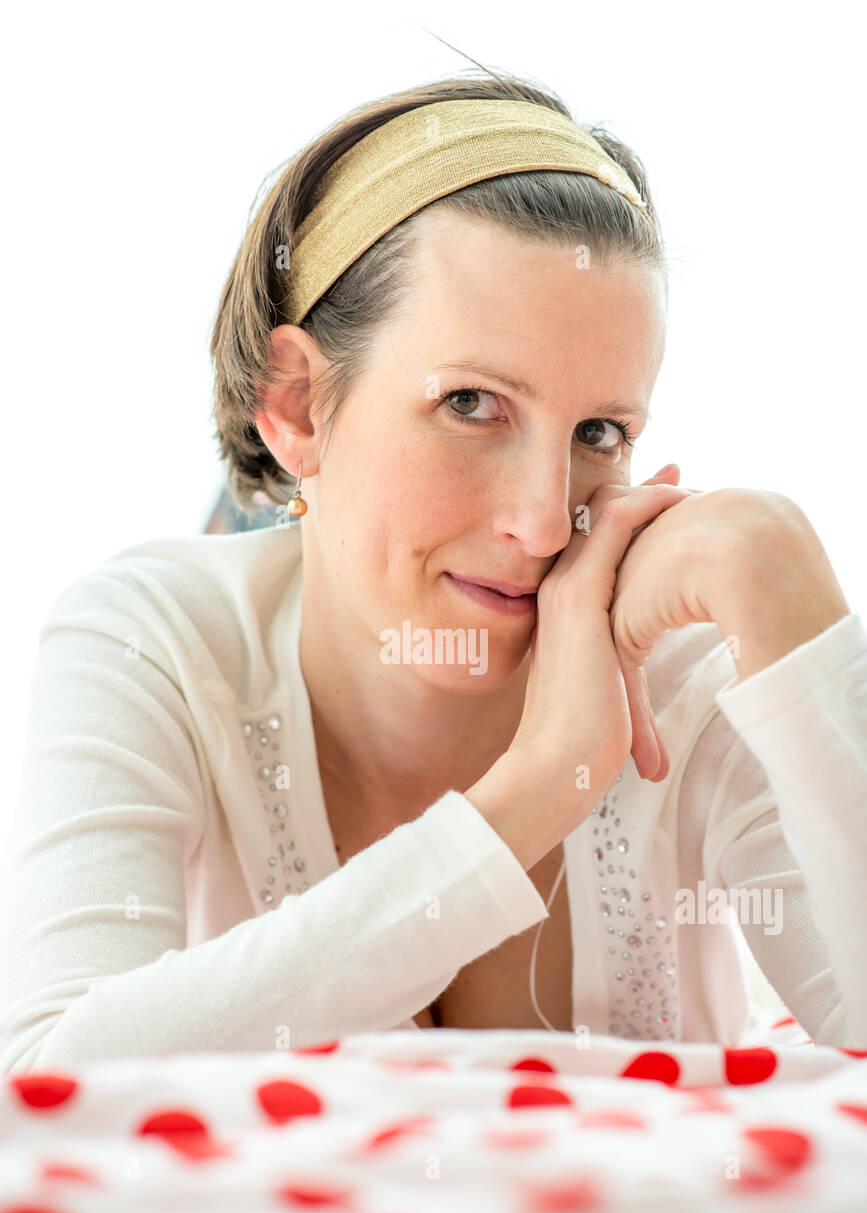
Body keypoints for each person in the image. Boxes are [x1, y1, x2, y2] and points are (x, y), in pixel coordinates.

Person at [2, 68, 865, 1075]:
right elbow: (45, 1079)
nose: (544, 521)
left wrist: (788, 601)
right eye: (470, 404)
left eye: (599, 431)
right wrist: (542, 785)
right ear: (295, 402)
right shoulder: (151, 639)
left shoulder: (683, 673)